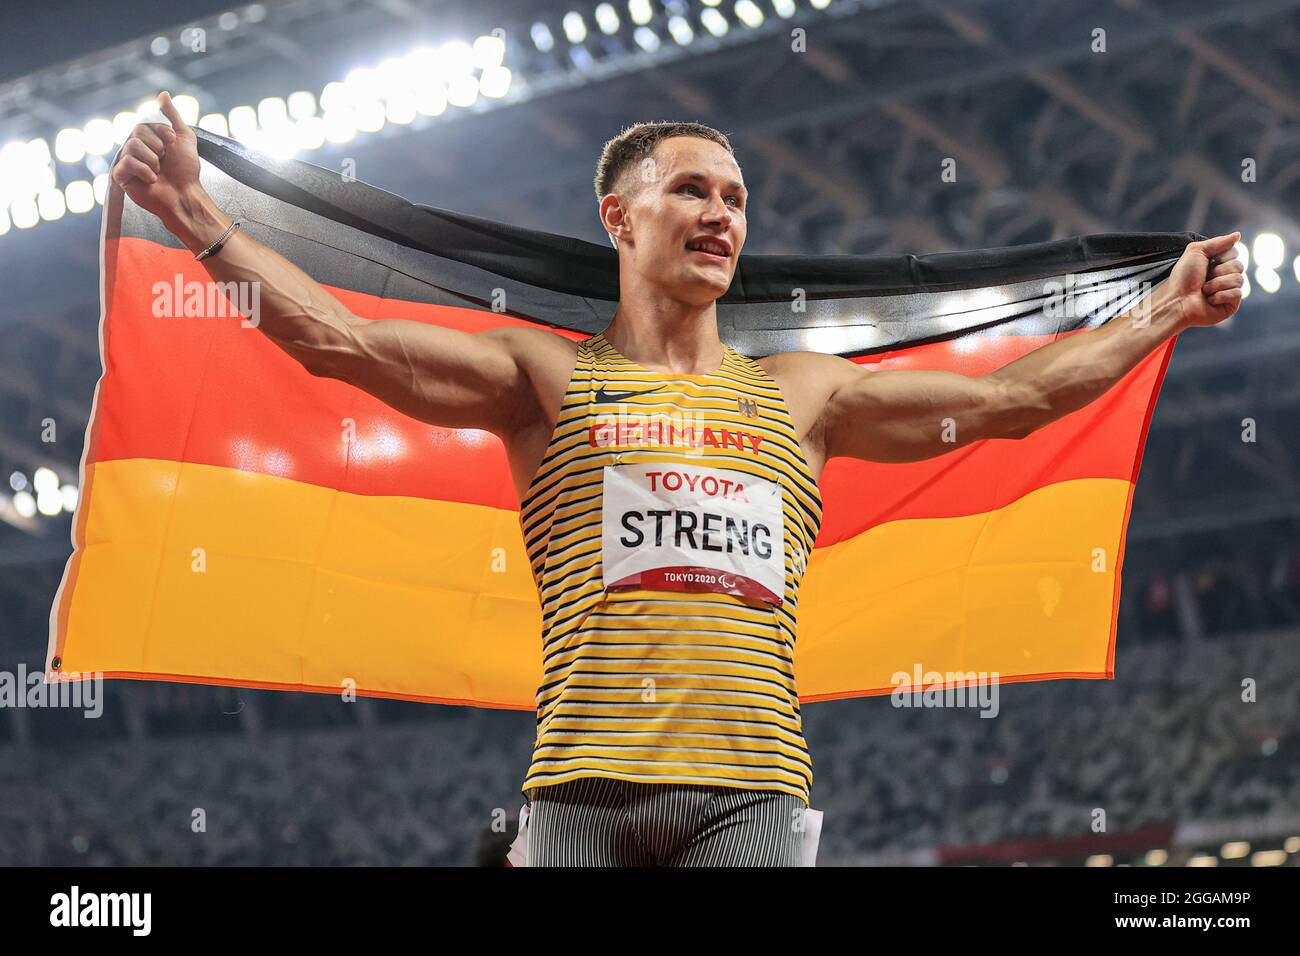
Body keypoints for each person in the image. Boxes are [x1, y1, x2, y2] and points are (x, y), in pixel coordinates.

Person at [112, 91, 1245, 867]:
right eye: (693, 191)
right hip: (576, 793)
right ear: (619, 216)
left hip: (749, 787)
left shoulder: (805, 395)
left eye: (737, 199)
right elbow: (342, 342)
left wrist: (1167, 310)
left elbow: (1012, 402)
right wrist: (200, 221)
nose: (721, 215)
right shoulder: (541, 377)